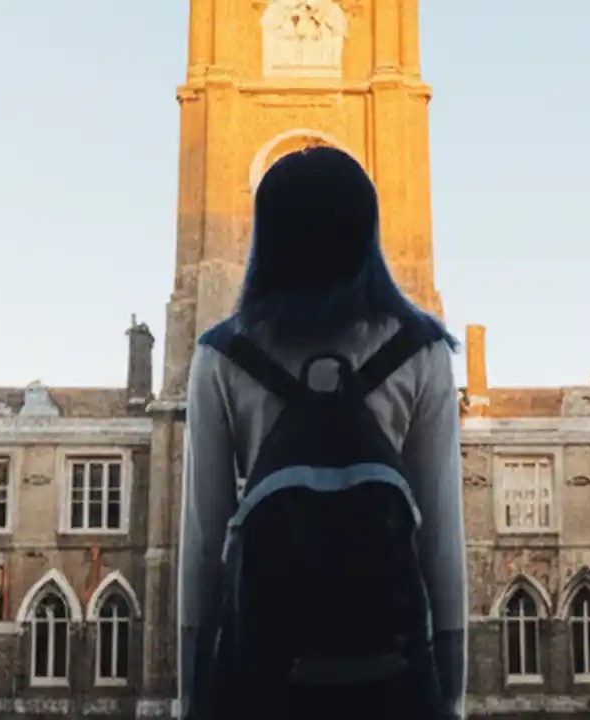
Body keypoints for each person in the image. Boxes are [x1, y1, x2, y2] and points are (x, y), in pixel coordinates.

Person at [177, 146, 467, 720]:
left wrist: (191, 698)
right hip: (391, 678)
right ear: (367, 233)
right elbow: (440, 542)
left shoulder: (221, 354)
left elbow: (204, 546)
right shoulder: (422, 351)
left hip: (263, 678)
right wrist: (451, 697)